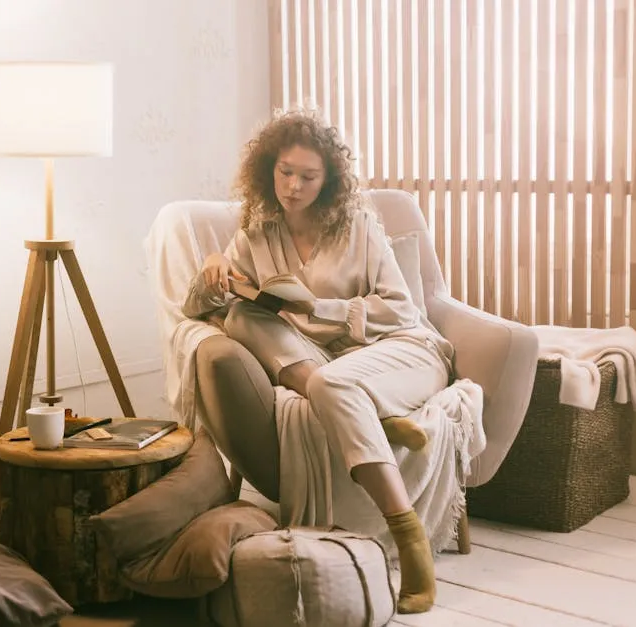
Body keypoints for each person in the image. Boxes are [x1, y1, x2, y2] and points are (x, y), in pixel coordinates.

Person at [181, 109, 454, 614]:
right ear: (269, 169)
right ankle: (373, 417)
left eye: (308, 176)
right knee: (241, 318)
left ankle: (410, 542)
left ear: (328, 180)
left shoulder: (360, 227)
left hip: (399, 350)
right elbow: (197, 309)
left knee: (331, 384)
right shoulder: (256, 234)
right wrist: (213, 266)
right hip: (327, 364)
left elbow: (401, 309)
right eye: (285, 171)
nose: (293, 185)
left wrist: (316, 307)